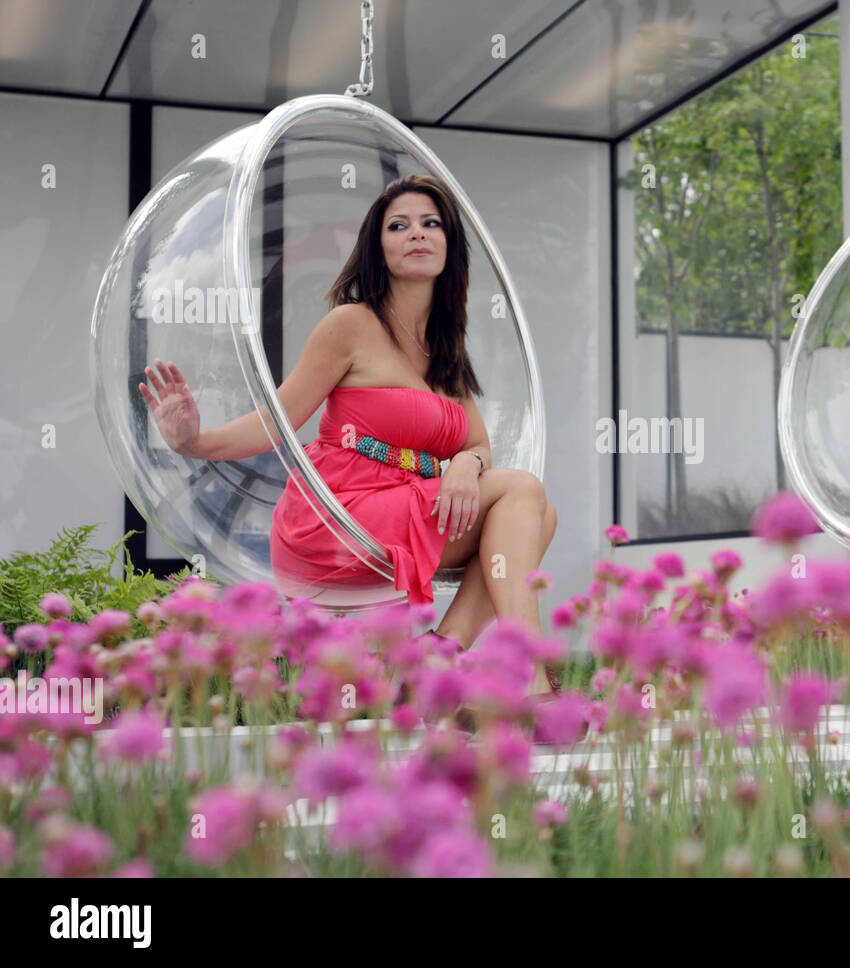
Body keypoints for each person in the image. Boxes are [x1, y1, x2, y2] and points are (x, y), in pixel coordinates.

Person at [137, 173, 560, 698]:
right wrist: (194, 443)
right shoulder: (352, 324)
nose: (417, 234)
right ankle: (531, 680)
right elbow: (278, 419)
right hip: (337, 517)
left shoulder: (447, 350)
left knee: (540, 511)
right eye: (399, 225)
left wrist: (465, 468)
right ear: (378, 248)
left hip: (406, 506)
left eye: (431, 224)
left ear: (450, 246)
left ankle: (440, 655)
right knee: (520, 490)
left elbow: (477, 445)